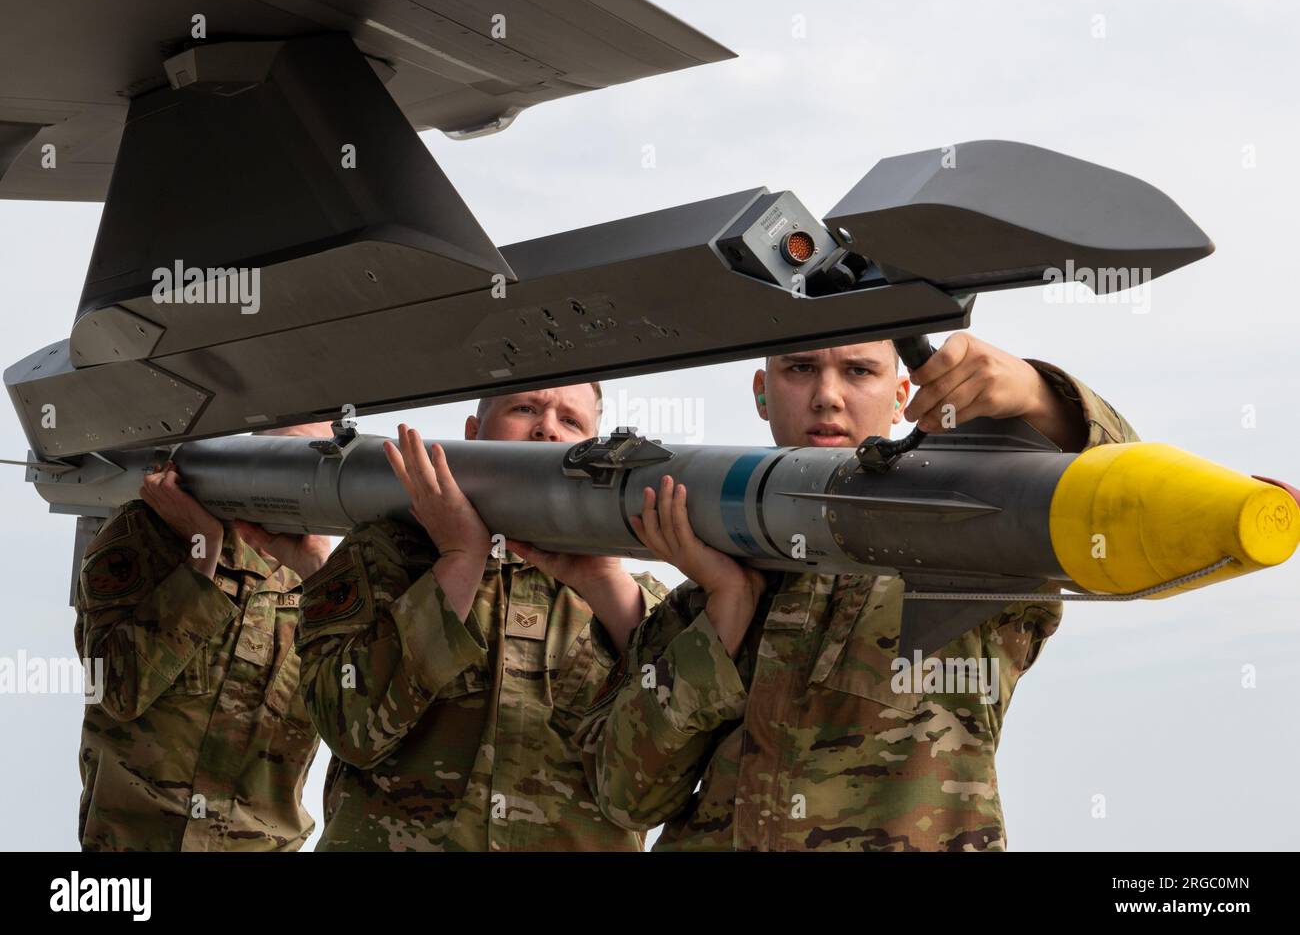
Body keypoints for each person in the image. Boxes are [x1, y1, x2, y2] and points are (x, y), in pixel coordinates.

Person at [579, 333, 1140, 851]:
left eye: (858, 371)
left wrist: (1041, 398)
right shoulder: (711, 576)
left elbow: (1126, 509)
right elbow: (629, 799)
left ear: (902, 396)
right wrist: (724, 609)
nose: (827, 396)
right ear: (762, 394)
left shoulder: (968, 543)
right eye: (800, 368)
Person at [296, 383, 667, 850]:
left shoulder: (639, 602)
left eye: (571, 422)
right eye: (525, 407)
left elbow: (664, 782)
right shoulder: (385, 554)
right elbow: (350, 729)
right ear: (473, 432)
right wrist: (459, 559)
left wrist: (604, 584)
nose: (547, 429)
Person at [75, 422, 335, 851]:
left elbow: (365, 726)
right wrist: (203, 552)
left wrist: (320, 573)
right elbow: (119, 689)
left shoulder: (325, 584)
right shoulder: (150, 536)